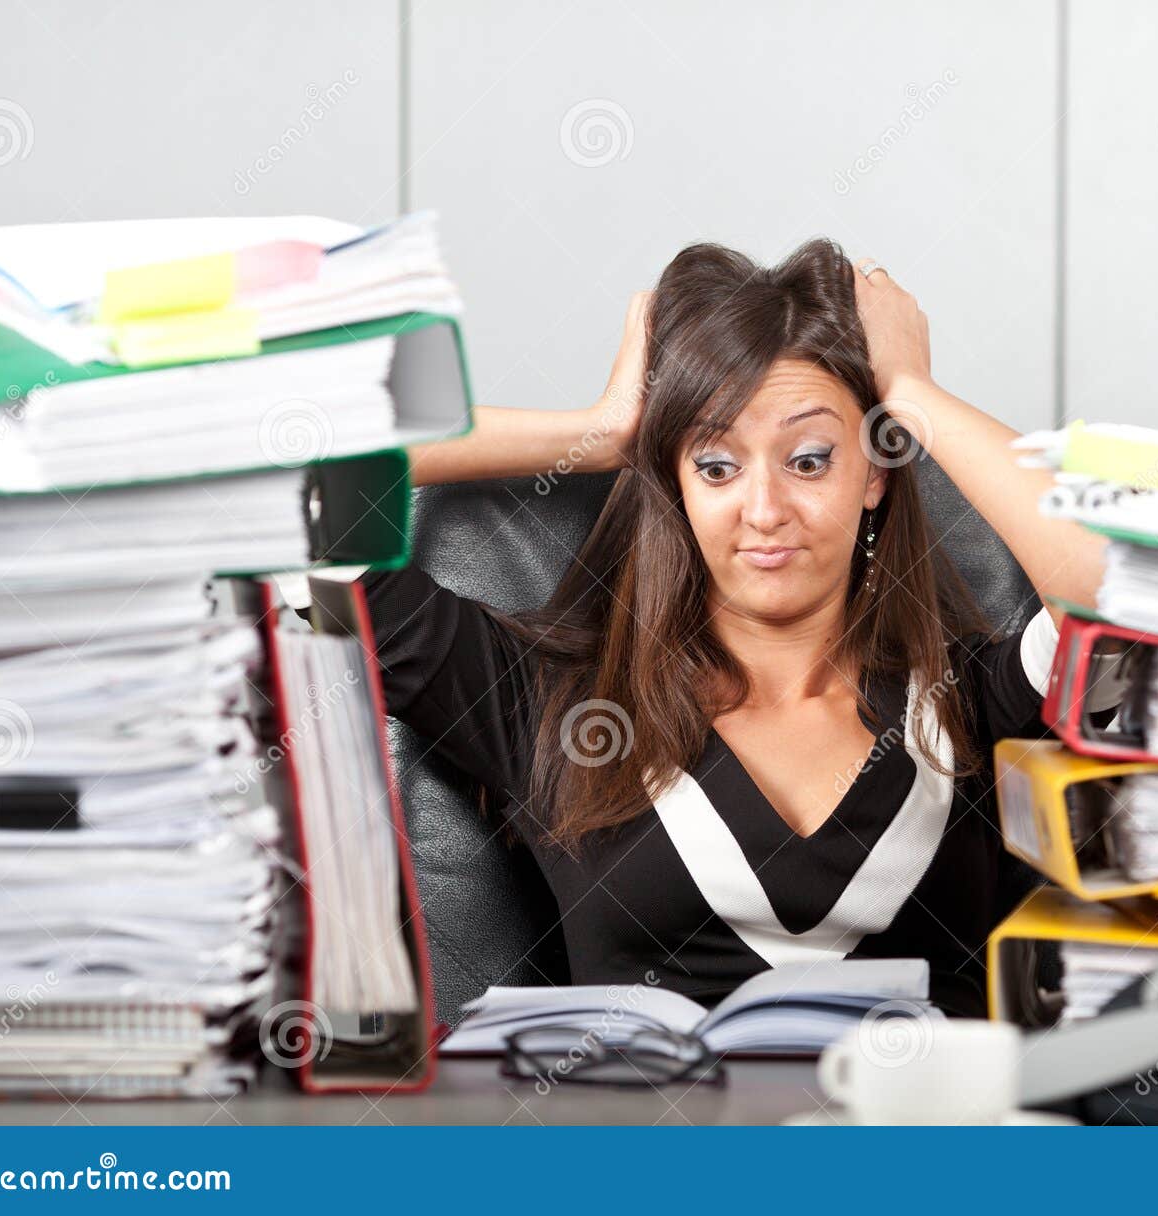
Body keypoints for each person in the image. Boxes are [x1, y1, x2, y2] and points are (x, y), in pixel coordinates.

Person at [367, 238, 1111, 1018]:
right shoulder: (549, 700)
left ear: (877, 473)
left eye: (811, 459)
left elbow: (1117, 590)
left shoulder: (966, 699)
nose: (764, 511)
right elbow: (295, 484)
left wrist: (910, 388)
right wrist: (602, 429)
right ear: (676, 482)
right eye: (716, 465)